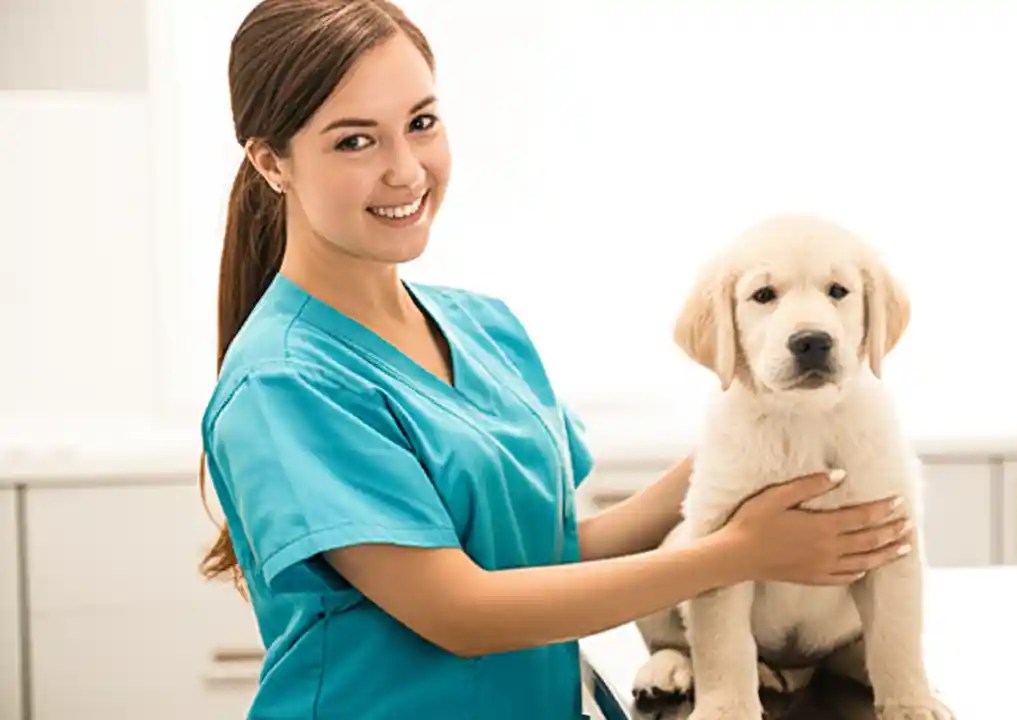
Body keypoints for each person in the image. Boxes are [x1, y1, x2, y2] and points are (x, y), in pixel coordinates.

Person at [198, 1, 915, 718]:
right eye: (355, 141)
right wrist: (737, 554)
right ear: (271, 161)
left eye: (421, 123)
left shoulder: (484, 329)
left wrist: (748, 455)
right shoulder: (284, 381)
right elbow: (459, 612)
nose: (406, 170)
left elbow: (549, 553)